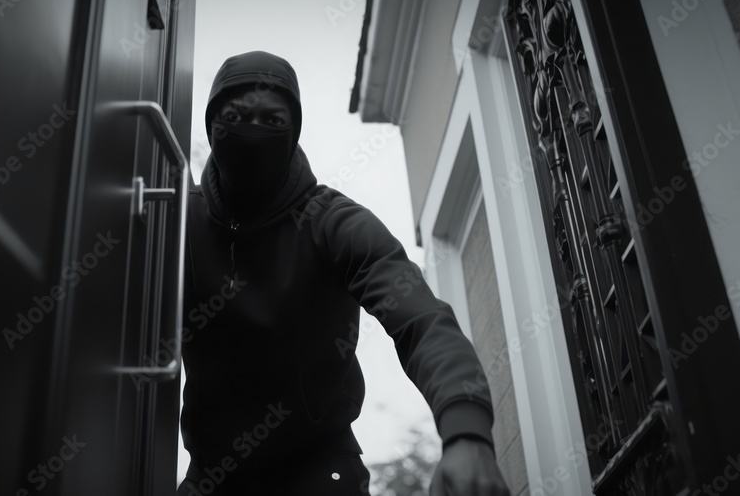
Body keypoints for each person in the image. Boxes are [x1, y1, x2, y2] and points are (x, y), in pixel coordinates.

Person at [177, 50, 510, 496]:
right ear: (210, 124)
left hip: (320, 473)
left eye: (272, 120)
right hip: (211, 478)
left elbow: (423, 321)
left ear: (293, 133)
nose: (252, 129)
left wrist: (466, 431)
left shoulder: (333, 224)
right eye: (235, 115)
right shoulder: (179, 221)